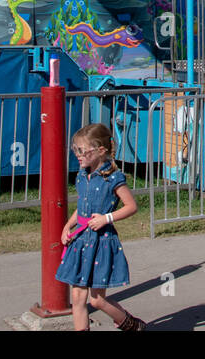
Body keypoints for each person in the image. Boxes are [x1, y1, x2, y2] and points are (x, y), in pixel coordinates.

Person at [56, 123, 145, 331]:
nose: (77, 154)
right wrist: (67, 226)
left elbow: (131, 206)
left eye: (82, 150)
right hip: (80, 241)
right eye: (75, 150)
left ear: (100, 151)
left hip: (101, 243)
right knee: (77, 297)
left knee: (96, 300)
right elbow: (82, 207)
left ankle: (130, 324)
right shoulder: (81, 175)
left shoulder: (112, 178)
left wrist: (107, 218)